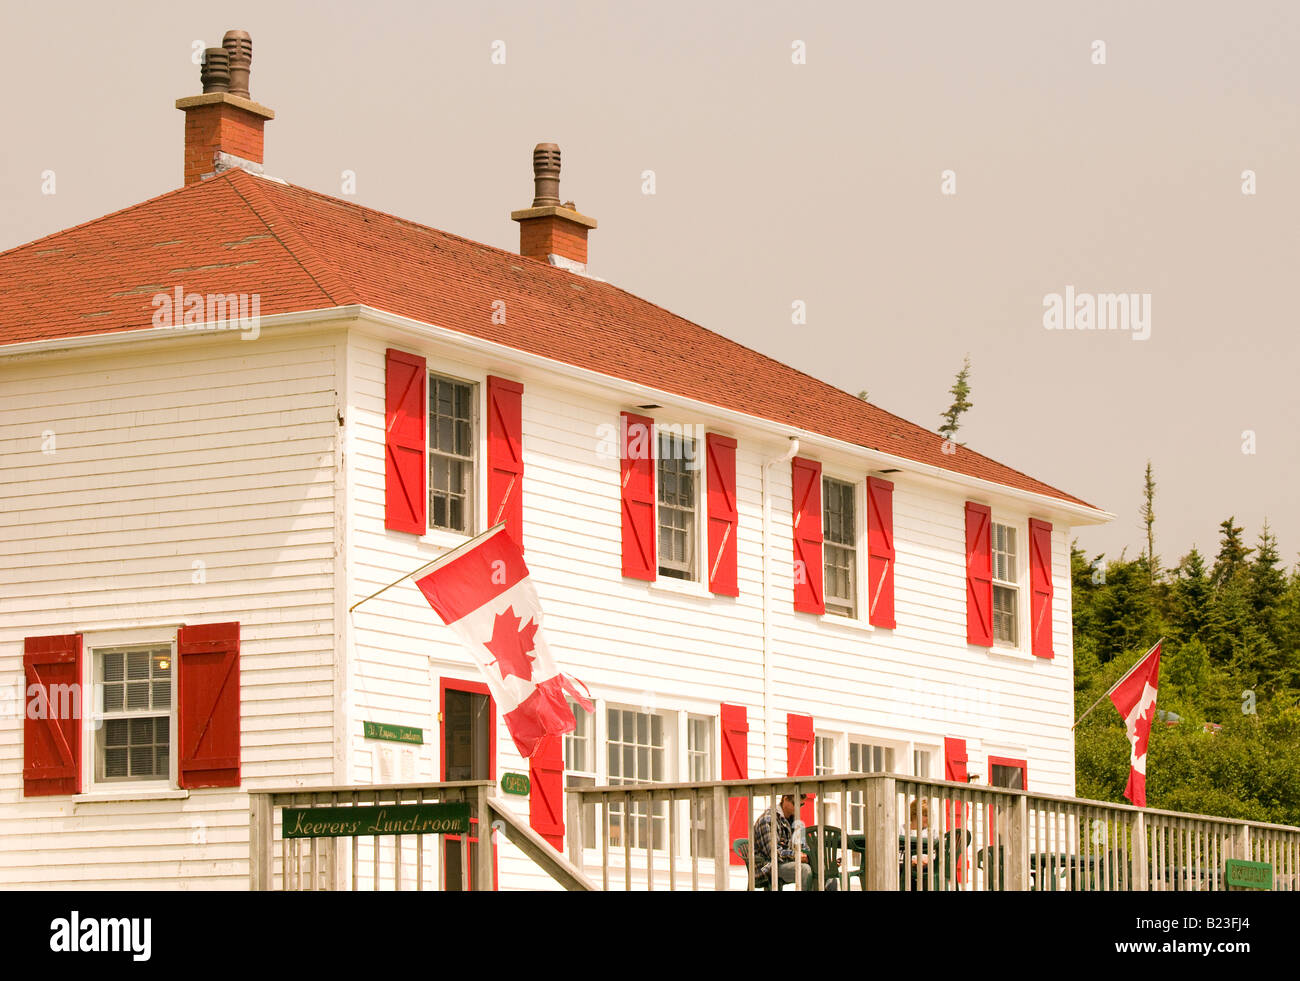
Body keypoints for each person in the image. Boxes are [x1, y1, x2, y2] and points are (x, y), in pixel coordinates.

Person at [752, 793, 837, 890]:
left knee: (828, 871)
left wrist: (815, 859)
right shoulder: (768, 819)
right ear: (785, 799)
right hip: (766, 866)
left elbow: (804, 848)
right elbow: (774, 853)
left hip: (787, 862)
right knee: (805, 870)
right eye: (795, 804)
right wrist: (797, 855)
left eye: (800, 805)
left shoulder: (795, 820)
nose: (798, 808)